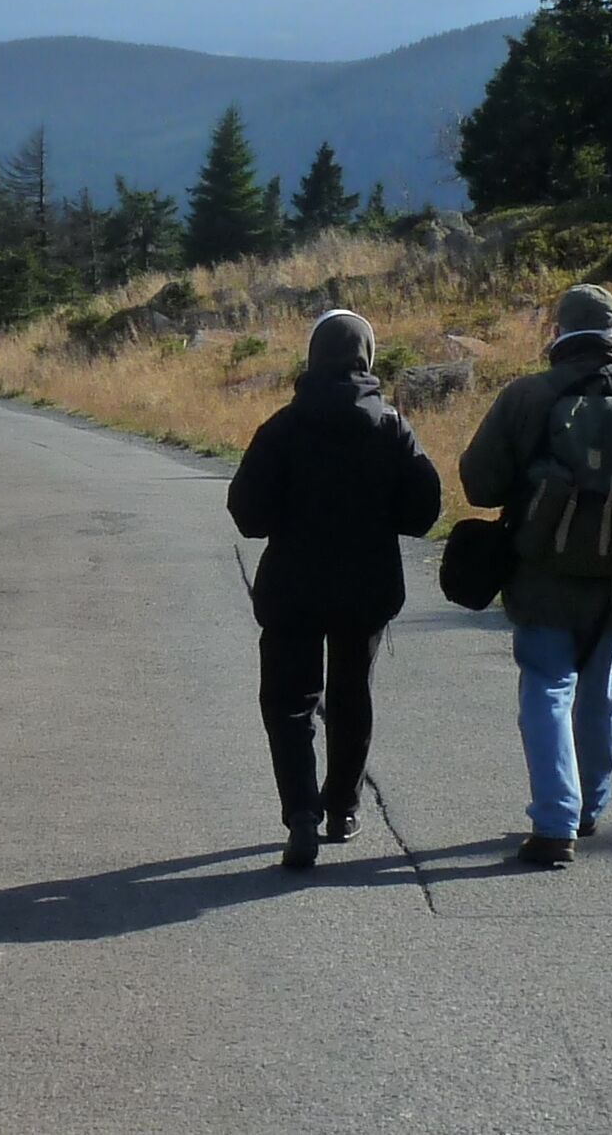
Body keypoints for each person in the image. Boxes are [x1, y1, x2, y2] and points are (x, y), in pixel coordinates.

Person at [458, 284, 612, 867]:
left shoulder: (524, 397)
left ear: (557, 334)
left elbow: (479, 483)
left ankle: (554, 822)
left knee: (546, 685)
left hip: (539, 573)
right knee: (600, 688)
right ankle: (590, 808)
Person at [227, 309, 443, 870]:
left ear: (313, 357)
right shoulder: (392, 427)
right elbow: (424, 512)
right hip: (366, 587)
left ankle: (300, 813)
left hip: (292, 587)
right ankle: (343, 806)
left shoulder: (282, 427)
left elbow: (247, 514)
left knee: (288, 702)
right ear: (366, 357)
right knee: (352, 696)